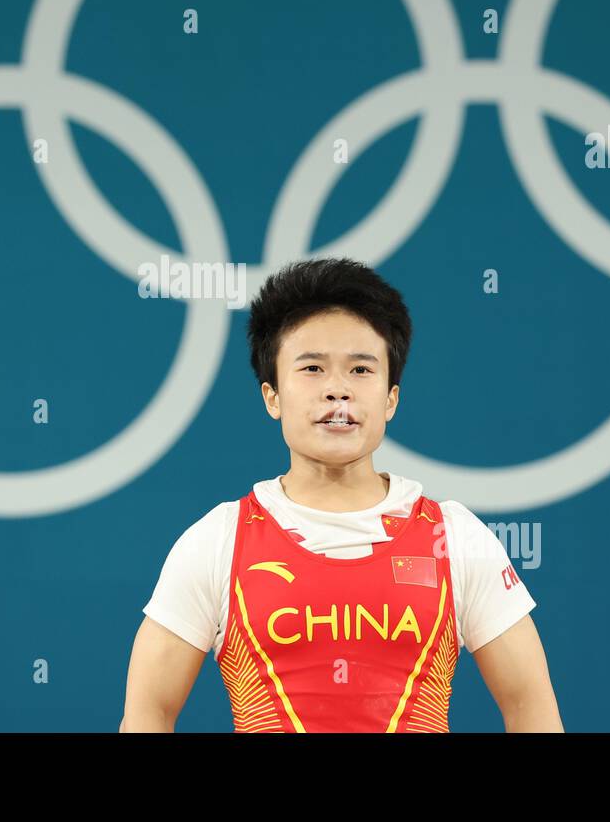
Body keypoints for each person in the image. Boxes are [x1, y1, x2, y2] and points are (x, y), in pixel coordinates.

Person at [120, 256, 563, 732]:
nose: (337, 391)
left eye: (360, 370)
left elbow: (531, 709)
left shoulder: (456, 538)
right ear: (272, 396)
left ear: (391, 398)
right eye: (312, 368)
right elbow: (149, 714)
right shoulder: (218, 541)